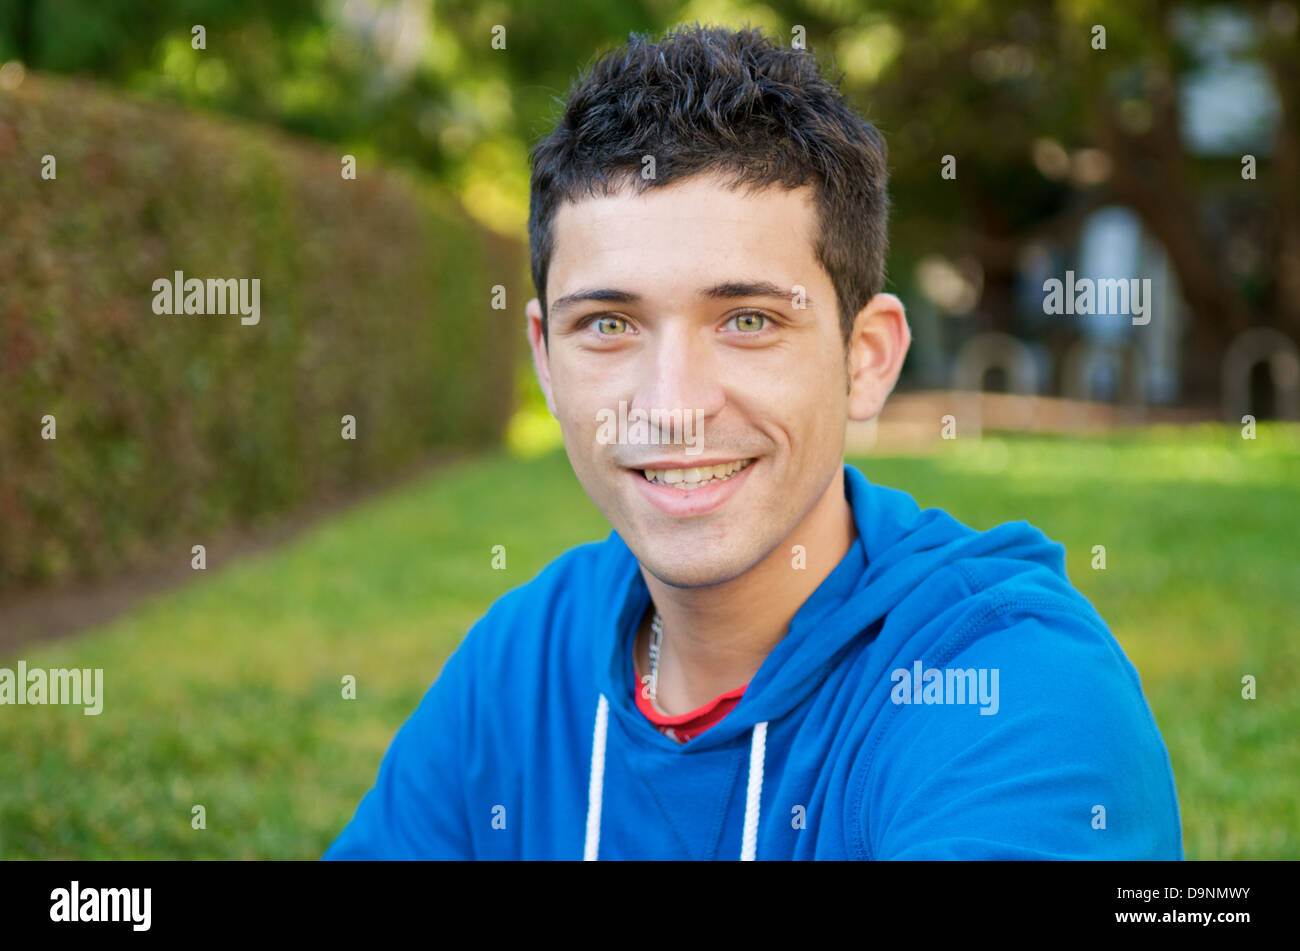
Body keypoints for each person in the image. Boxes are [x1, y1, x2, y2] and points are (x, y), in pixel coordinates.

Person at [324, 23, 1182, 860]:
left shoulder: (1010, 687)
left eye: (746, 319)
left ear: (866, 358)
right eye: (610, 324)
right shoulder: (521, 663)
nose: (672, 406)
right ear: (546, 361)